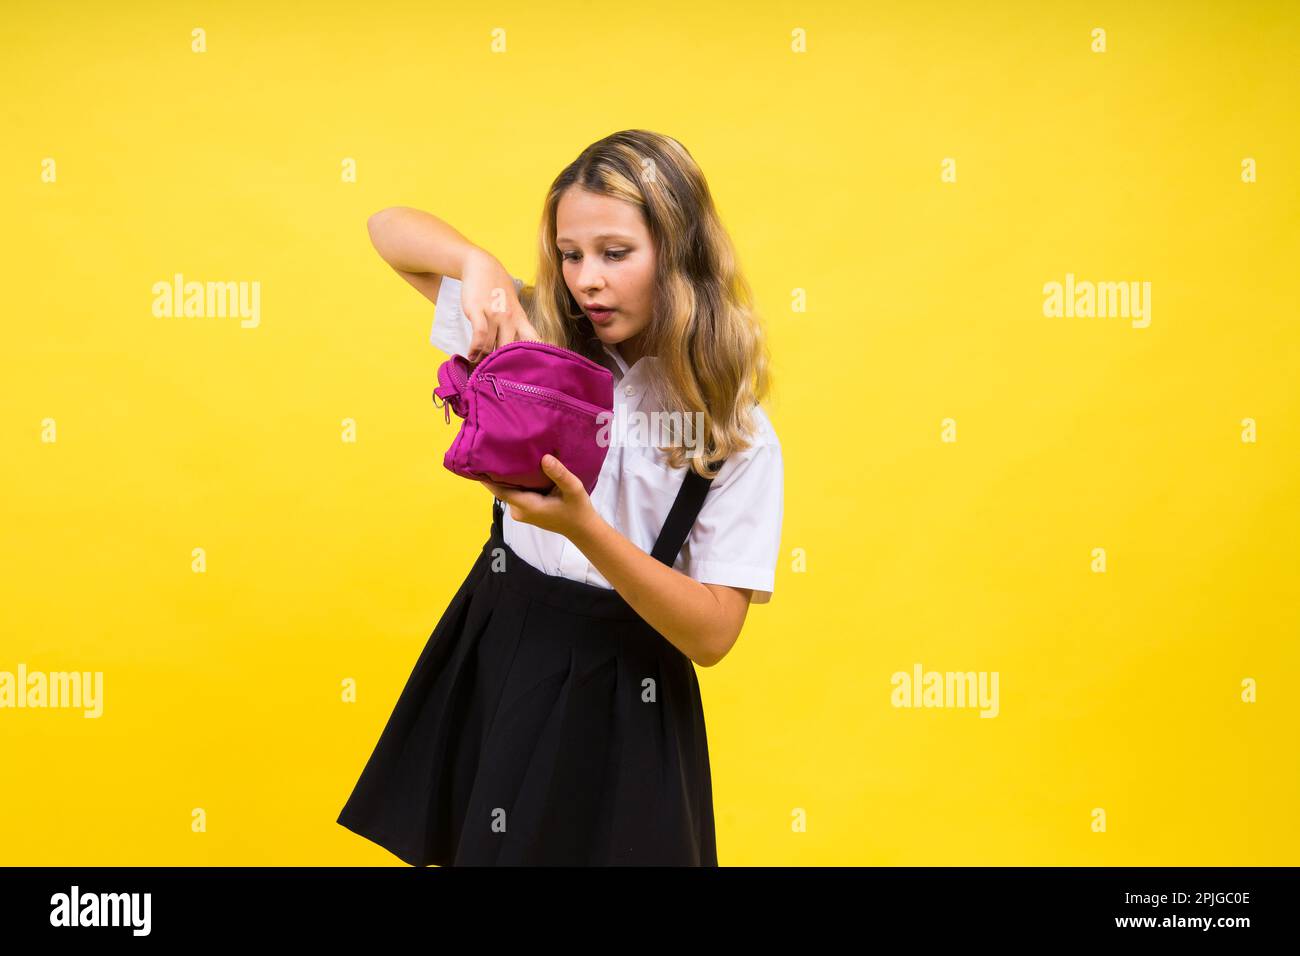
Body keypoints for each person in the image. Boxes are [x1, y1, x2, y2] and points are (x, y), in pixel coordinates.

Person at [337, 129, 784, 865]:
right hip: (503, 634)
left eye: (615, 253)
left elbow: (711, 636)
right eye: (570, 254)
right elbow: (386, 229)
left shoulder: (732, 430)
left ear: (680, 254)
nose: (587, 281)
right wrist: (473, 263)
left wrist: (583, 527)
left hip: (625, 683)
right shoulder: (533, 335)